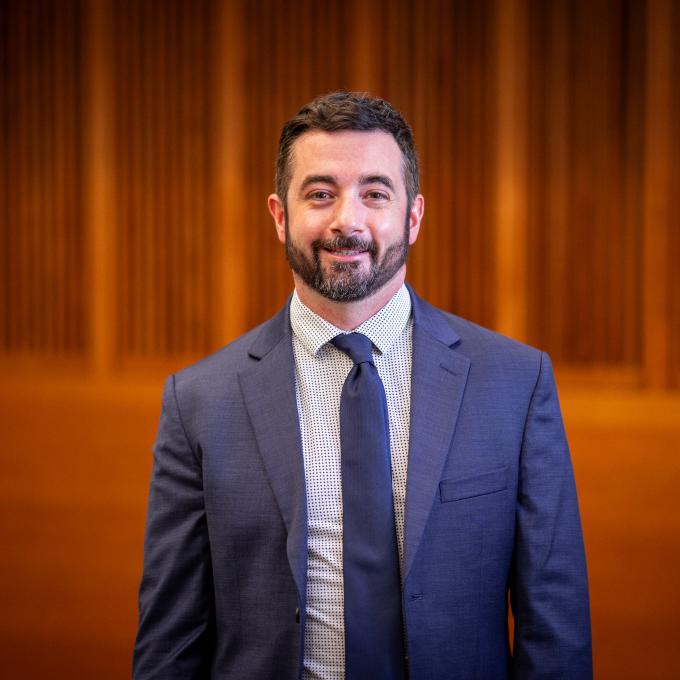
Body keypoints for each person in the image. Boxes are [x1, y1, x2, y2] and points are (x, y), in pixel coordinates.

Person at [133, 92, 592, 679]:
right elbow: (170, 643)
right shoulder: (197, 402)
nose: (346, 220)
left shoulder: (515, 385)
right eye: (320, 194)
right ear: (279, 216)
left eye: (375, 193)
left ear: (413, 216)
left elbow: (554, 629)